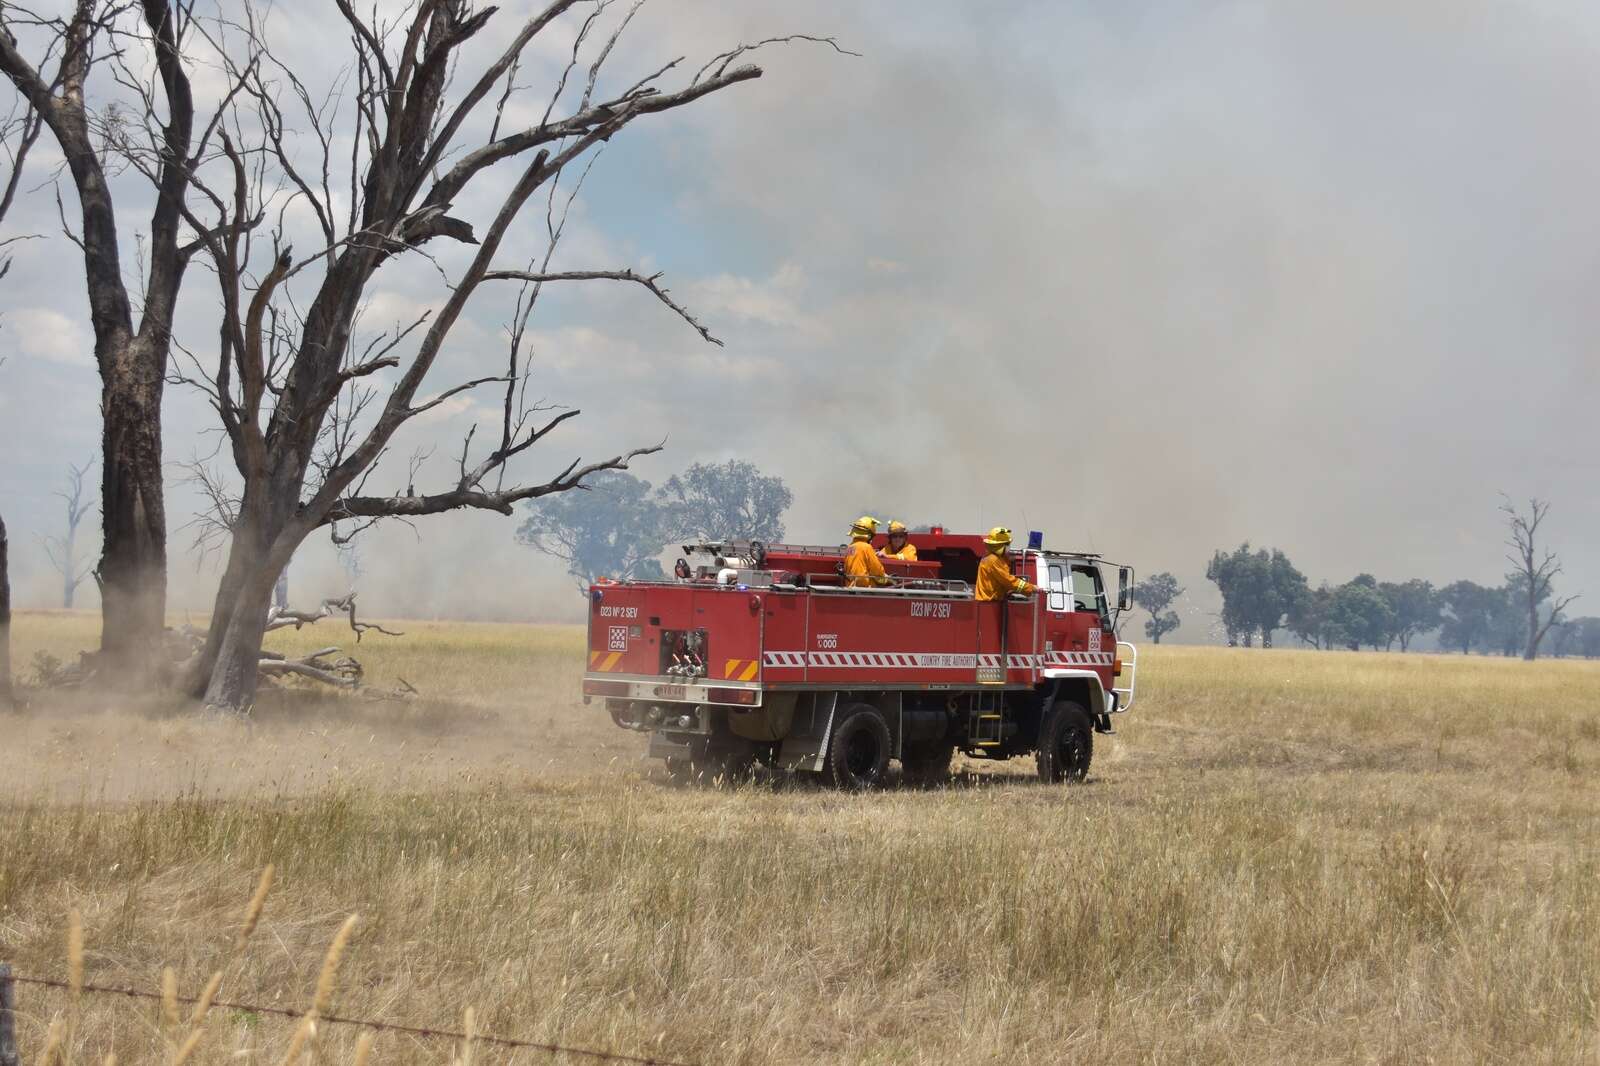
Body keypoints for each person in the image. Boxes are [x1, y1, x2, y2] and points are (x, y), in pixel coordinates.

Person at [975, 526, 1036, 601]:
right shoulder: (993, 560)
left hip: (989, 603)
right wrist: (1031, 588)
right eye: (1007, 544)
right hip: (989, 604)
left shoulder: (992, 558)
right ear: (1000, 546)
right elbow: (1007, 580)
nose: (1009, 547)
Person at [843, 516, 891, 587]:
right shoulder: (866, 547)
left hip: (850, 586)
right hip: (863, 588)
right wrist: (887, 579)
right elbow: (877, 570)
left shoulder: (850, 547)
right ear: (870, 535)